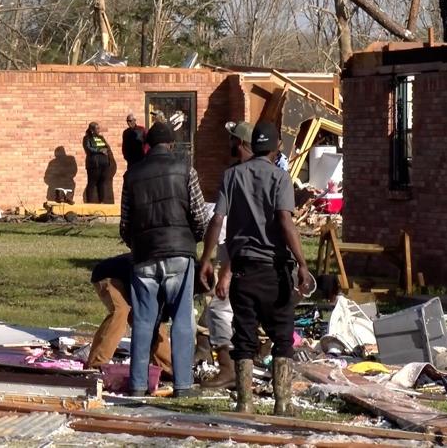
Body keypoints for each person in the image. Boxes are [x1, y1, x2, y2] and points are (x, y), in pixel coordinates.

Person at [198, 121, 311, 416]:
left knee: (244, 335)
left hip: (243, 270)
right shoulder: (280, 178)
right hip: (274, 268)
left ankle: (244, 402)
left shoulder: (231, 177)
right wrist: (301, 262)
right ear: (275, 148)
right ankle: (283, 402)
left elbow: (217, 220)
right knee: (282, 335)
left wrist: (206, 259)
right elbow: (285, 221)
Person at [120, 122, 208, 398]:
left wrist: (138, 245)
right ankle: (183, 384)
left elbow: (125, 224)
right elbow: (201, 217)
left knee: (144, 321)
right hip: (180, 255)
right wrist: (190, 241)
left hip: (144, 256)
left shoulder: (132, 175)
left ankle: (136, 385)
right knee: (181, 320)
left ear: (149, 146)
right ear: (171, 144)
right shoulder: (186, 170)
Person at [199, 121, 253, 390]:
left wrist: (211, 261)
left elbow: (219, 220)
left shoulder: (235, 176)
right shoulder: (274, 174)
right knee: (246, 310)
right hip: (264, 255)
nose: (229, 144)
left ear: (241, 143)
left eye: (232, 139)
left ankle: (229, 369)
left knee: (221, 307)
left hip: (238, 251)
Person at [86, 253, 173, 377]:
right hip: (108, 275)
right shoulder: (162, 271)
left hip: (132, 283)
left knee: (151, 320)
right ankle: (96, 364)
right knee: (120, 311)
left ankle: (167, 367)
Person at [83, 122, 111, 204]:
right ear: (92, 130)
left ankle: (102, 202)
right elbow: (88, 148)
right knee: (92, 183)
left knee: (101, 183)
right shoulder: (87, 138)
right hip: (94, 164)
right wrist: (99, 150)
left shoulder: (101, 137)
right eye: (97, 128)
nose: (99, 130)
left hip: (104, 164)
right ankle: (89, 203)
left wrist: (106, 150)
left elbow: (106, 146)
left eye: (99, 128)